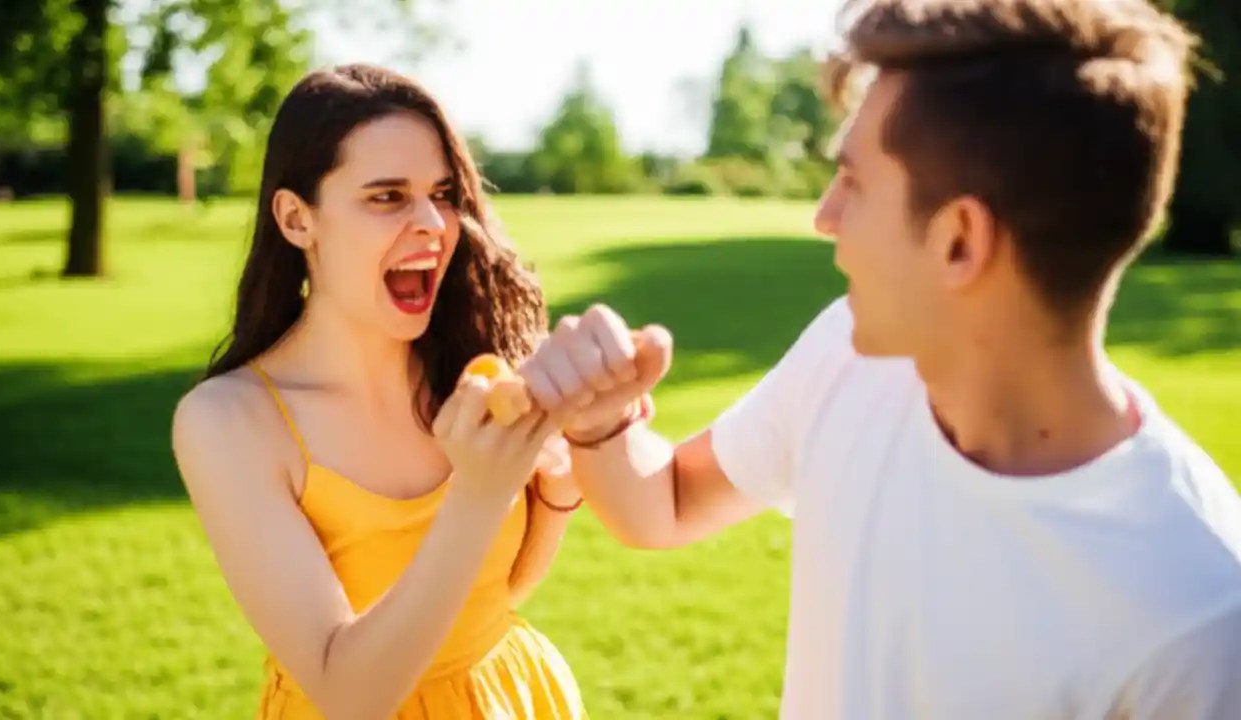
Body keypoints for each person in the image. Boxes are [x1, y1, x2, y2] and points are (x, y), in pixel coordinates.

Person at [519, 1, 1241, 718]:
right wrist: (604, 420)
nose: (825, 216)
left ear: (960, 239)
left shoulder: (1197, 618)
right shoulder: (848, 357)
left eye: (854, 182)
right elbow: (667, 504)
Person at [171, 64, 587, 719]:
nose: (434, 223)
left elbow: (493, 596)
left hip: (512, 695)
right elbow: (349, 693)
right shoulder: (228, 422)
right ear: (296, 219)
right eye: (387, 197)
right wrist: (478, 494)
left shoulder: (469, 366)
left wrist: (560, 485)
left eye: (443, 193)